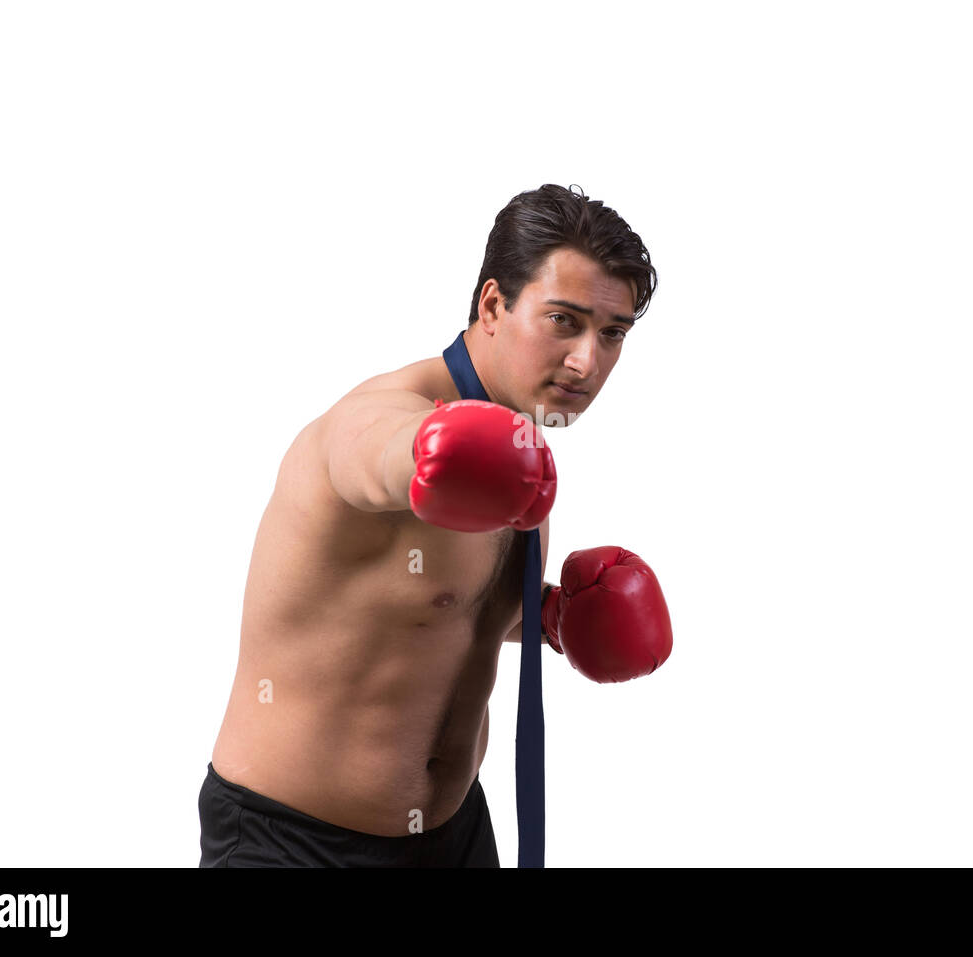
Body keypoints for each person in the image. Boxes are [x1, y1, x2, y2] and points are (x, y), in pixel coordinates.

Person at [198, 184, 671, 867]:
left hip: (454, 834)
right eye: (564, 320)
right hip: (295, 844)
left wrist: (551, 620)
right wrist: (426, 451)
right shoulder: (385, 415)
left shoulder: (519, 451)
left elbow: (454, 607)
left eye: (612, 332)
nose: (586, 361)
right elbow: (369, 452)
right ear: (491, 306)